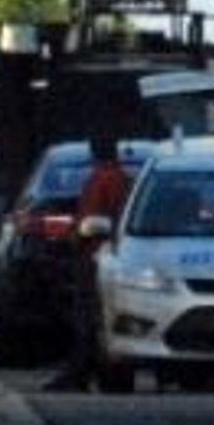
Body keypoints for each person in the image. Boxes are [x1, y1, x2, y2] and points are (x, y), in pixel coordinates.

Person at [44, 136, 133, 393]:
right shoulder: (125, 179)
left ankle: (79, 372)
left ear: (94, 155)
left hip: (93, 254)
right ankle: (100, 372)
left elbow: (89, 219)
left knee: (87, 317)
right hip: (118, 254)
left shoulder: (101, 179)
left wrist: (74, 237)